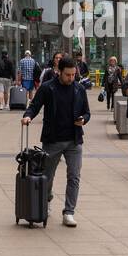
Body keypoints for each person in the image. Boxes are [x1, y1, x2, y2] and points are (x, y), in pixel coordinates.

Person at [22, 56, 90, 228]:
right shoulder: (48, 87)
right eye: (68, 75)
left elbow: (87, 112)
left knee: (74, 176)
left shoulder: (79, 89)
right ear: (59, 71)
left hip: (74, 140)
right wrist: (28, 116)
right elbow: (35, 105)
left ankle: (69, 212)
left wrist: (84, 119)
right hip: (53, 140)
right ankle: (47, 199)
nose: (71, 78)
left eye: (73, 75)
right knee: (47, 176)